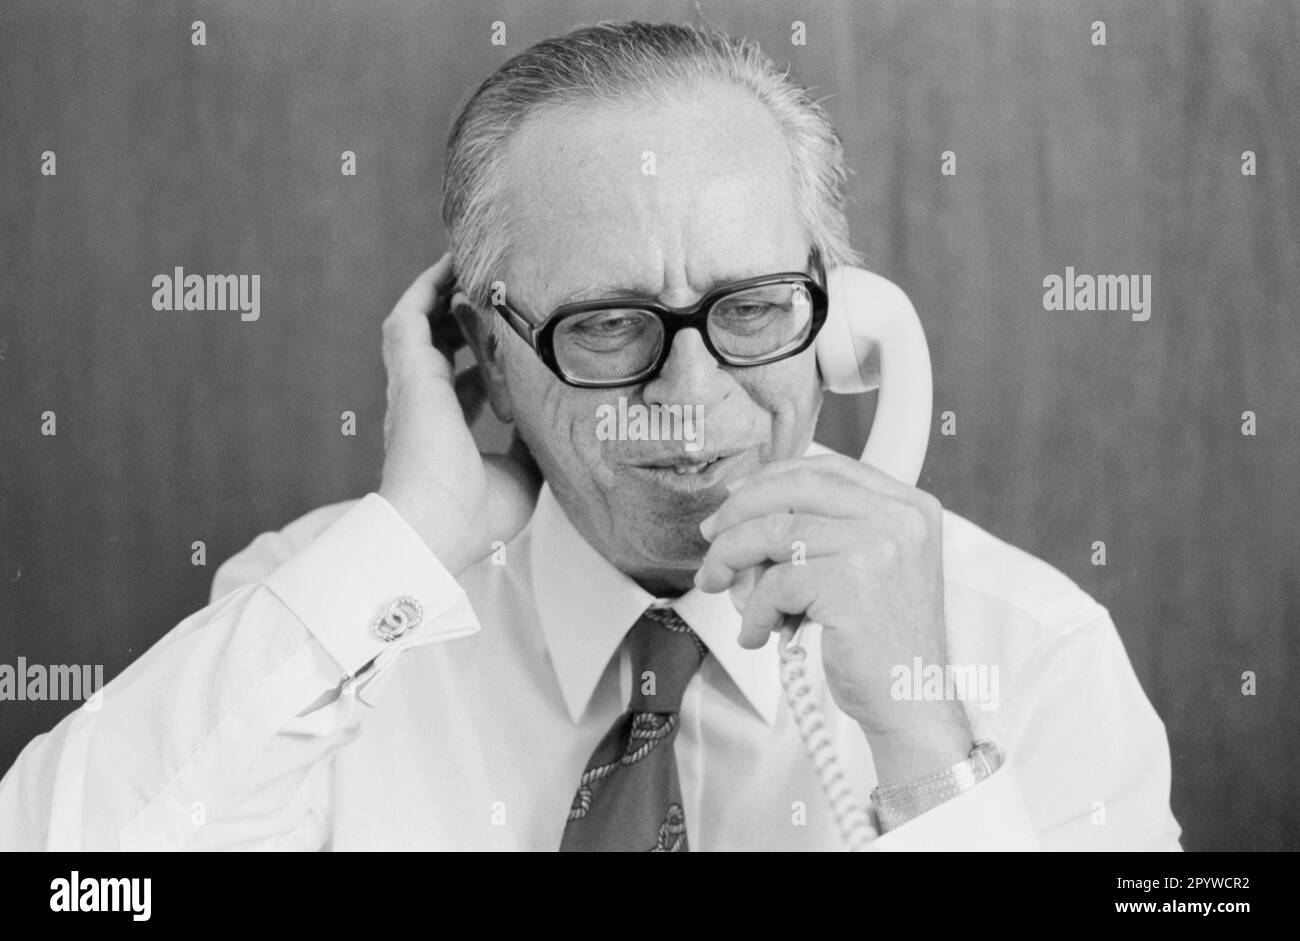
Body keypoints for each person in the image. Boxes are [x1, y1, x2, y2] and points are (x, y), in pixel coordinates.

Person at [0, 21, 1180, 851]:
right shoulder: (331, 627)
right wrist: (408, 539)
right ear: (484, 351)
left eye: (753, 306)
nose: (690, 387)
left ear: (842, 321)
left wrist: (927, 754)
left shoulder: (1032, 654)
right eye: (608, 325)